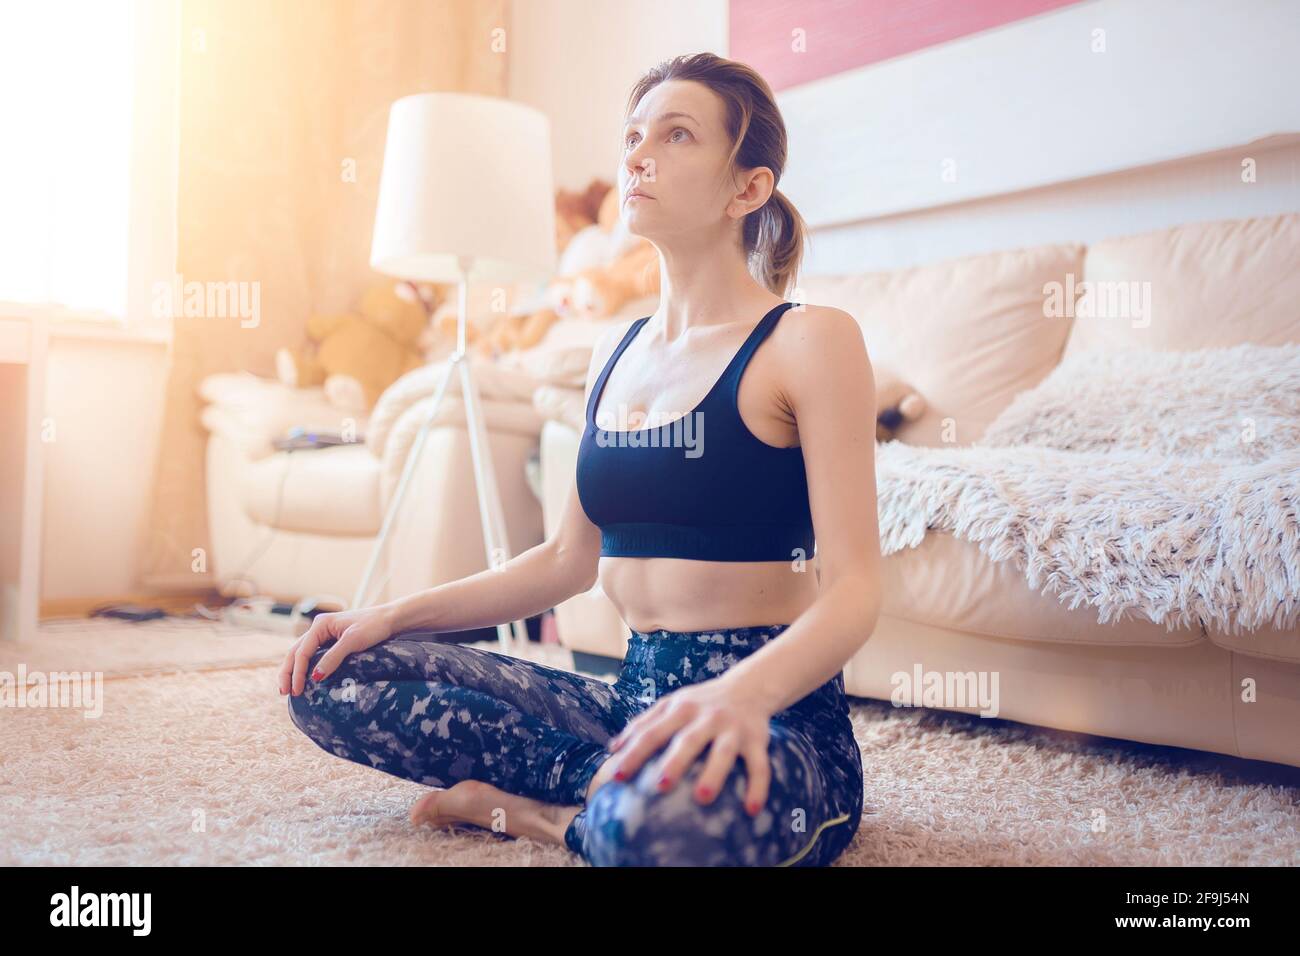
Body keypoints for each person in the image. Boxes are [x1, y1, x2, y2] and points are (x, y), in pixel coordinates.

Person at [280, 52, 882, 867]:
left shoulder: (810, 340)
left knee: (671, 830)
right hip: (630, 700)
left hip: (772, 716)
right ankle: (613, 781)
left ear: (748, 188)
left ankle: (542, 816)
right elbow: (567, 559)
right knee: (334, 677)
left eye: (677, 135)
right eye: (634, 136)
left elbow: (855, 589)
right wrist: (390, 613)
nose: (638, 156)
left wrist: (742, 695)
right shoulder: (613, 351)